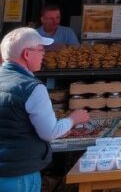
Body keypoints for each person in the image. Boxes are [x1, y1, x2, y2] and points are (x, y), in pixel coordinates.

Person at [0, 28, 90, 191]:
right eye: (41, 50)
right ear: (27, 54)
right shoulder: (32, 88)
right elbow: (50, 132)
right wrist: (73, 119)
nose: (44, 54)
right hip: (20, 174)